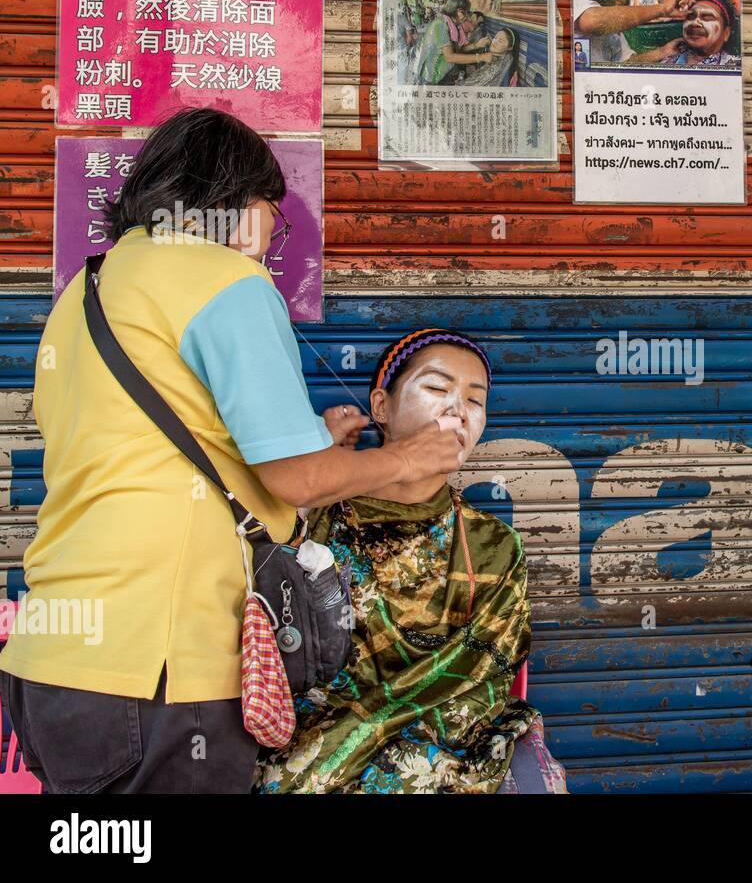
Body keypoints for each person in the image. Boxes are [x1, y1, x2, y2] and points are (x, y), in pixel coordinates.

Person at [0, 107, 466, 794]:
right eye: (271, 209)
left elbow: (153, 449)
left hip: (53, 670)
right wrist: (408, 458)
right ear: (231, 201)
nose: (275, 234)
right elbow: (296, 479)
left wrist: (317, 446)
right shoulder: (226, 280)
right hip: (159, 670)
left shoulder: (87, 291)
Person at [255, 329, 567, 794]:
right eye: (438, 389)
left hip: (448, 747)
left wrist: (375, 749)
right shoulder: (309, 518)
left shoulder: (492, 546)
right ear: (380, 407)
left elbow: (478, 682)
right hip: (308, 739)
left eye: (474, 400)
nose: (457, 410)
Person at [572, 0, 691, 65]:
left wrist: (663, 52)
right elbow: (592, 21)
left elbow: (626, 62)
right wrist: (662, 9)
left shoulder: (616, 31)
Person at [414, 0, 493, 86]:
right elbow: (449, 56)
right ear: (455, 10)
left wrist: (477, 45)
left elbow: (459, 49)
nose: (467, 17)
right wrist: (481, 57)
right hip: (432, 77)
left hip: (445, 74)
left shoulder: (455, 26)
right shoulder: (440, 25)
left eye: (467, 12)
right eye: (464, 12)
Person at [649, 0, 740, 68]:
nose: (695, 22)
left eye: (707, 17)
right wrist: (662, 52)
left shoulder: (732, 66)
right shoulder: (669, 55)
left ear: (726, 33)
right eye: (691, 16)